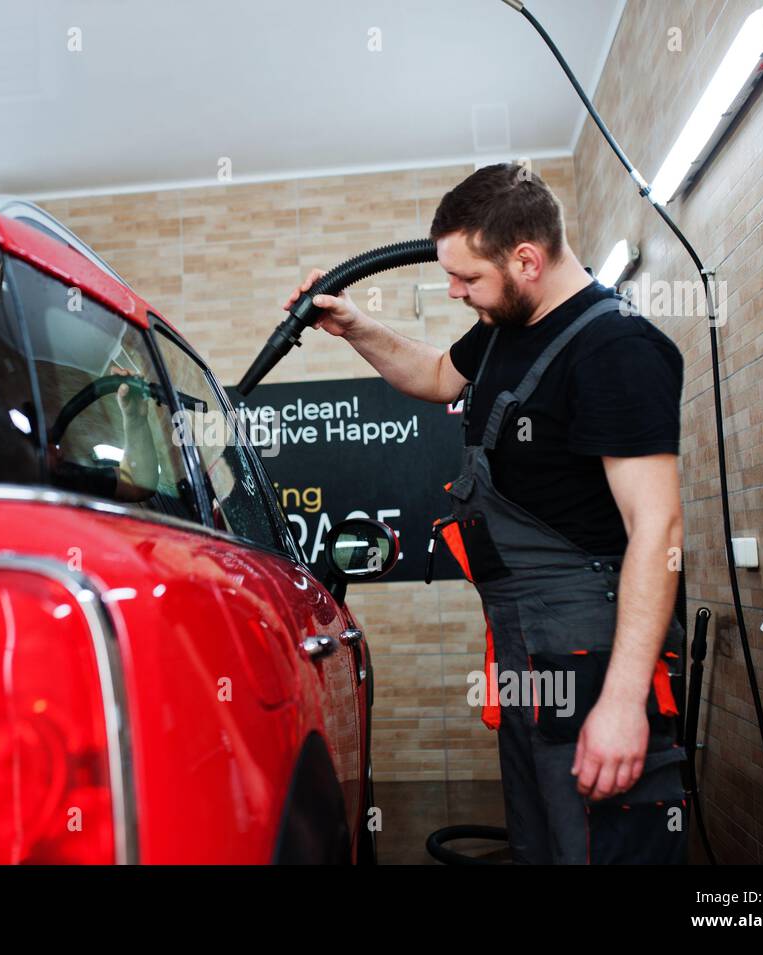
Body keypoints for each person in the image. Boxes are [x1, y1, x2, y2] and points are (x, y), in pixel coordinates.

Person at [284, 162, 687, 864]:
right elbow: (439, 374)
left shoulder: (615, 349)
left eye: (467, 278)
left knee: (603, 844)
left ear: (527, 259)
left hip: (592, 647)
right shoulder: (508, 326)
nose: (454, 290)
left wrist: (623, 703)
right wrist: (355, 327)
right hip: (529, 643)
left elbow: (659, 531)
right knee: (542, 842)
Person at [48, 363, 160, 504]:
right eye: (43, 448)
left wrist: (135, 419)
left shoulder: (67, 479)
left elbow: (139, 484)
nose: (59, 453)